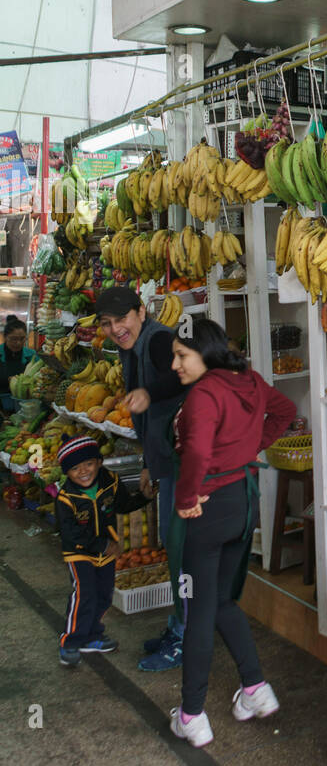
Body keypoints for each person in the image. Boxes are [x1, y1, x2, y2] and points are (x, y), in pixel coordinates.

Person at [167, 319, 295, 747]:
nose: (175, 365)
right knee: (222, 600)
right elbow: (285, 411)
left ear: (204, 353)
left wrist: (187, 497)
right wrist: (250, 449)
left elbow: (199, 451)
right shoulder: (248, 381)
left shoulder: (205, 393)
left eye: (181, 356)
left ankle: (191, 715)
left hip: (207, 506)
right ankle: (256, 690)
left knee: (199, 608)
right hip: (244, 502)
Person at [95, 287, 186, 671]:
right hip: (169, 459)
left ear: (141, 311)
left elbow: (183, 378)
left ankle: (184, 638)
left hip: (190, 462)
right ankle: (178, 625)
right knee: (175, 546)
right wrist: (150, 463)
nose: (116, 329)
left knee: (182, 551)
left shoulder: (160, 339)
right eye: (108, 323)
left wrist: (149, 392)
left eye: (123, 319)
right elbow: (149, 417)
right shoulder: (129, 347)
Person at [55, 434, 155, 667]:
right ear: (67, 472)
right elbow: (70, 534)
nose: (83, 471)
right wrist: (102, 545)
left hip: (105, 552)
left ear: (99, 462)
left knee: (103, 594)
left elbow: (122, 505)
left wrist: (144, 498)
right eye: (75, 468)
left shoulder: (110, 480)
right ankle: (70, 641)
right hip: (79, 552)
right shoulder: (66, 498)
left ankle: (91, 635)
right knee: (84, 593)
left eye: (89, 464)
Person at [0, 315, 29, 412]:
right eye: (13, 339)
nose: (18, 343)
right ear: (5, 337)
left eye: (22, 339)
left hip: (25, 406)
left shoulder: (32, 356)